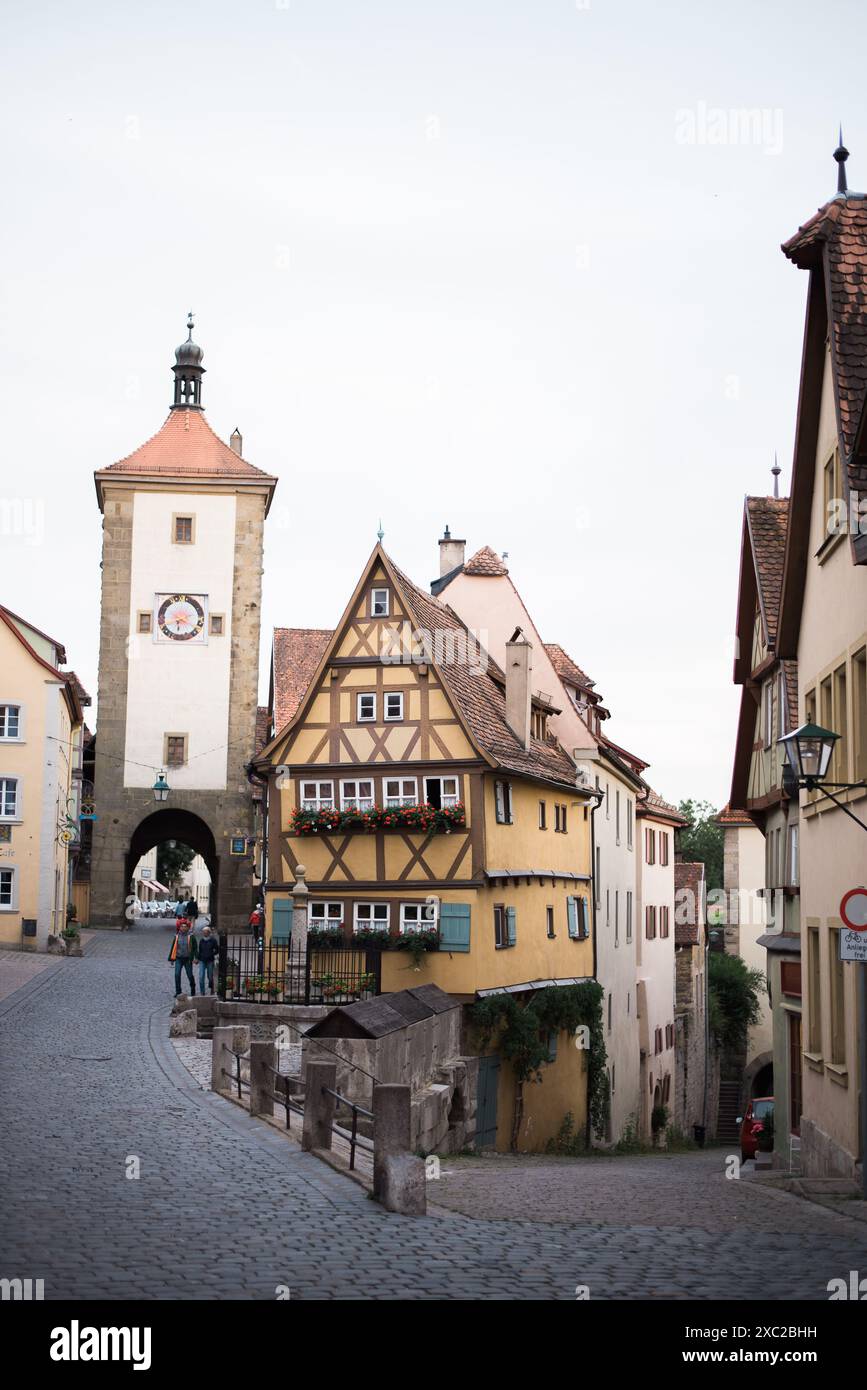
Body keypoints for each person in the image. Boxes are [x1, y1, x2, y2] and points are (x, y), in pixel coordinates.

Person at [169, 918, 198, 996]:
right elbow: (173, 947)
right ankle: (178, 992)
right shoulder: (177, 936)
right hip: (178, 958)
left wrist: (196, 957)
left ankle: (193, 988)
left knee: (190, 975)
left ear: (188, 928)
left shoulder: (191, 937)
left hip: (188, 959)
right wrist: (172, 958)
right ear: (179, 927)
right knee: (177, 974)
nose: (183, 928)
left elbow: (195, 948)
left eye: (185, 926)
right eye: (182, 926)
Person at [197, 925, 218, 996]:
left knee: (210, 976)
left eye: (206, 932)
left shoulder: (213, 940)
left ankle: (212, 988)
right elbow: (199, 951)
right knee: (201, 976)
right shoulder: (201, 941)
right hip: (202, 960)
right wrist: (197, 958)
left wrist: (212, 953)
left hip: (210, 960)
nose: (204, 933)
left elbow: (217, 950)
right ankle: (202, 992)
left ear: (209, 932)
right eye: (204, 932)